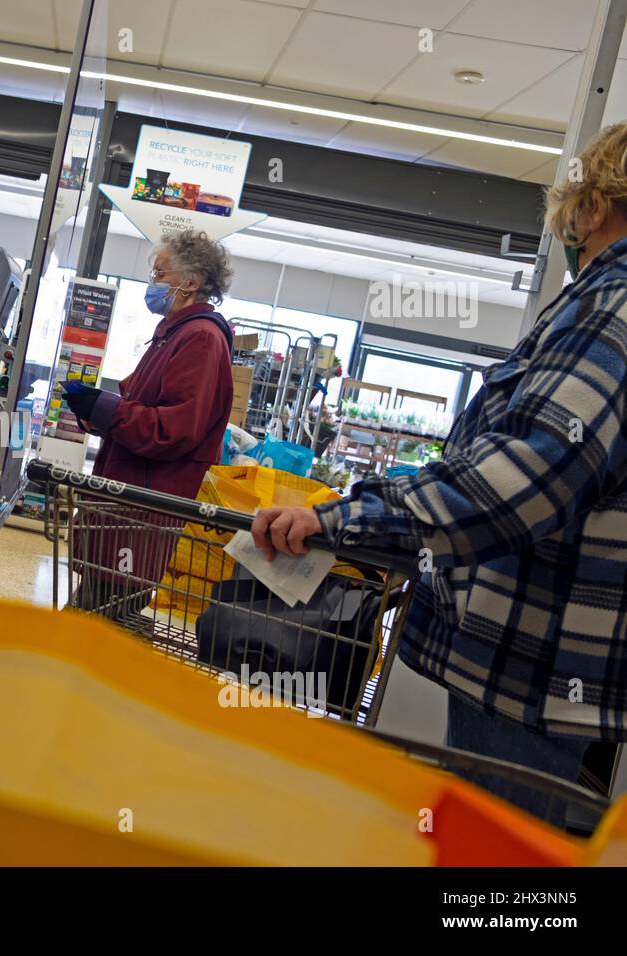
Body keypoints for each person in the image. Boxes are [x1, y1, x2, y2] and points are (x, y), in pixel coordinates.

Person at [248, 121, 627, 824]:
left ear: (594, 205)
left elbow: (528, 478)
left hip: (531, 678)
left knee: (497, 879)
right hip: (550, 674)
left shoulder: (612, 304)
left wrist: (350, 518)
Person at [63, 229, 236, 617]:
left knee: (96, 623)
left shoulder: (201, 339)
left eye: (160, 275)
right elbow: (142, 405)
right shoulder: (174, 335)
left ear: (190, 283)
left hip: (143, 513)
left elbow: (171, 430)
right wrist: (97, 410)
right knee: (95, 618)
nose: (152, 284)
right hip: (127, 506)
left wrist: (109, 411)